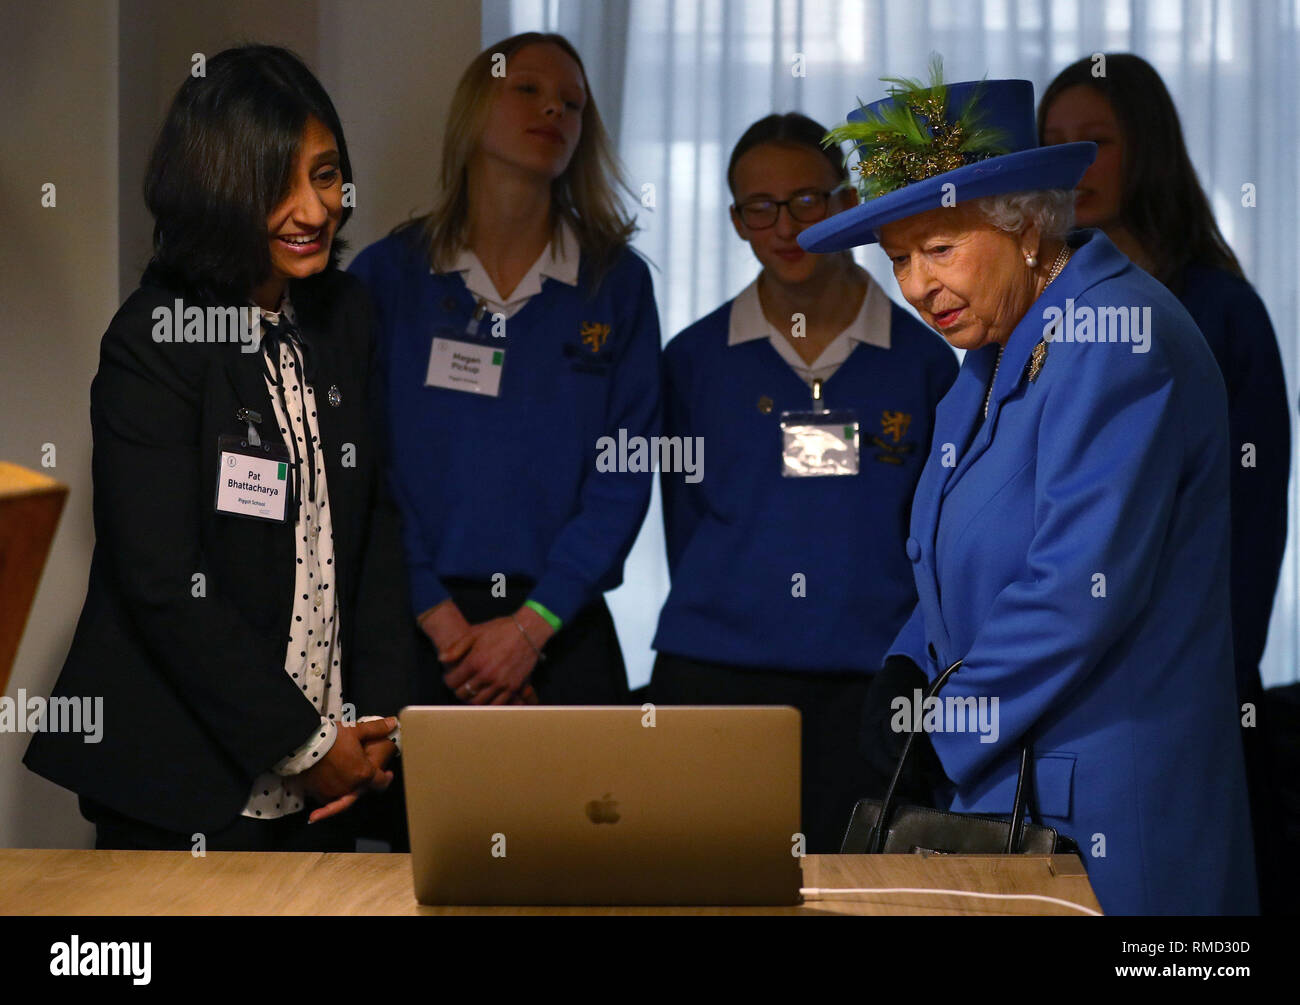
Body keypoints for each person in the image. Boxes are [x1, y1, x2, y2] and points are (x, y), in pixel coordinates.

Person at [800, 69, 1258, 914]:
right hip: (1013, 795)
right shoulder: (991, 355)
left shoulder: (1118, 338)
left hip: (1111, 816)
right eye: (898, 257)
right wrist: (908, 662)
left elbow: (1077, 587)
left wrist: (942, 724)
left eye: (940, 249)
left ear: (1030, 224)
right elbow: (952, 553)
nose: (914, 285)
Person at [24, 45, 418, 852]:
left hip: (331, 784)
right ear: (216, 185)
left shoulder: (345, 316)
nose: (313, 208)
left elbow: (372, 533)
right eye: (277, 182)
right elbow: (163, 581)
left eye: (324, 174)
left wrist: (372, 730)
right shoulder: (156, 337)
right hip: (185, 785)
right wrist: (304, 745)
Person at [650, 113, 957, 853]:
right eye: (761, 207)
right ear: (736, 220)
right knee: (708, 896)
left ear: (848, 202)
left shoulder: (924, 361)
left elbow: (940, 539)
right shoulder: (694, 360)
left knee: (864, 901)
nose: (784, 226)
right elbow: (682, 523)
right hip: (715, 678)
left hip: (871, 688)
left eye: (807, 201)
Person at [1039, 54, 1290, 913]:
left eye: (1096, 142)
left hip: (1187, 697)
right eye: (1054, 144)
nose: (1072, 163)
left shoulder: (1221, 311)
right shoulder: (1031, 316)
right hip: (1057, 705)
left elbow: (1254, 530)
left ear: (1147, 151)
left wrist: (1214, 684)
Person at [348, 32, 659, 707]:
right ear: (472, 110)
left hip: (560, 628)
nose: (554, 111)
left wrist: (530, 628)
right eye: (528, 90)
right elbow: (361, 465)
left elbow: (627, 469)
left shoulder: (618, 284)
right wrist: (439, 616)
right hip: (410, 624)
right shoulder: (385, 276)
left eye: (572, 104)